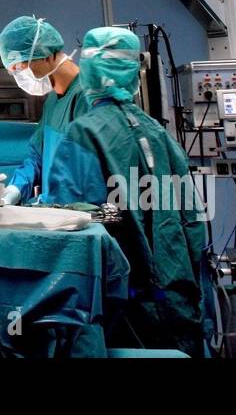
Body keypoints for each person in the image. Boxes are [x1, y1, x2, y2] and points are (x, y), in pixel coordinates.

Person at [65, 26, 208, 356]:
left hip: (122, 305)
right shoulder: (158, 133)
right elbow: (192, 224)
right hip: (175, 298)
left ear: (89, 69)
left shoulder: (85, 133)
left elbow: (69, 226)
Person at [0, 16, 93, 207]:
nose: (19, 75)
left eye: (21, 65)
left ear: (47, 55)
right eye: (13, 70)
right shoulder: (51, 101)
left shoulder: (87, 98)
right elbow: (38, 156)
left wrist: (51, 203)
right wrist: (16, 189)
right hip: (56, 211)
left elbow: (86, 170)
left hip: (80, 213)